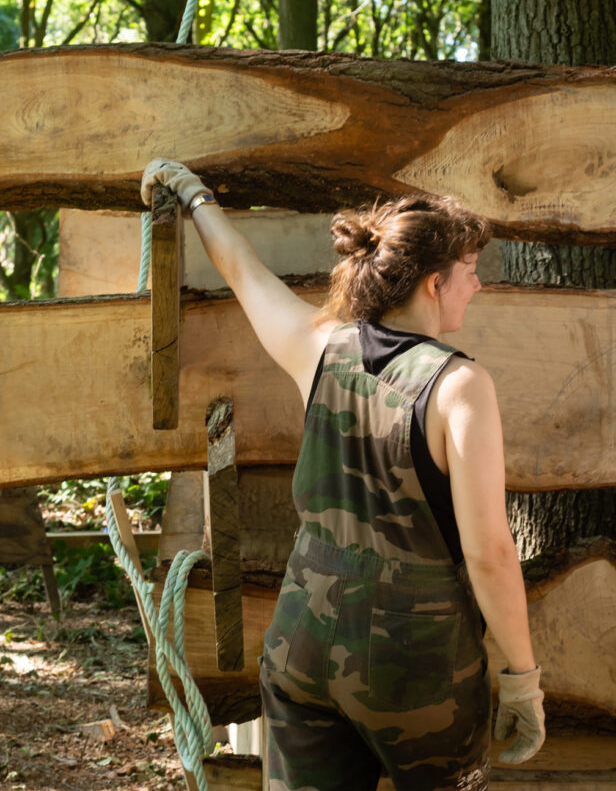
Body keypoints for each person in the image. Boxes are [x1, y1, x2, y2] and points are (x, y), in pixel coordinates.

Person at [140, 158, 545, 791]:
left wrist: (194, 197)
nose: (479, 285)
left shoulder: (319, 346)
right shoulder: (460, 386)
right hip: (415, 667)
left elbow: (243, 271)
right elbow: (491, 553)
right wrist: (522, 681)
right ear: (433, 284)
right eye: (470, 272)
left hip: (302, 648)